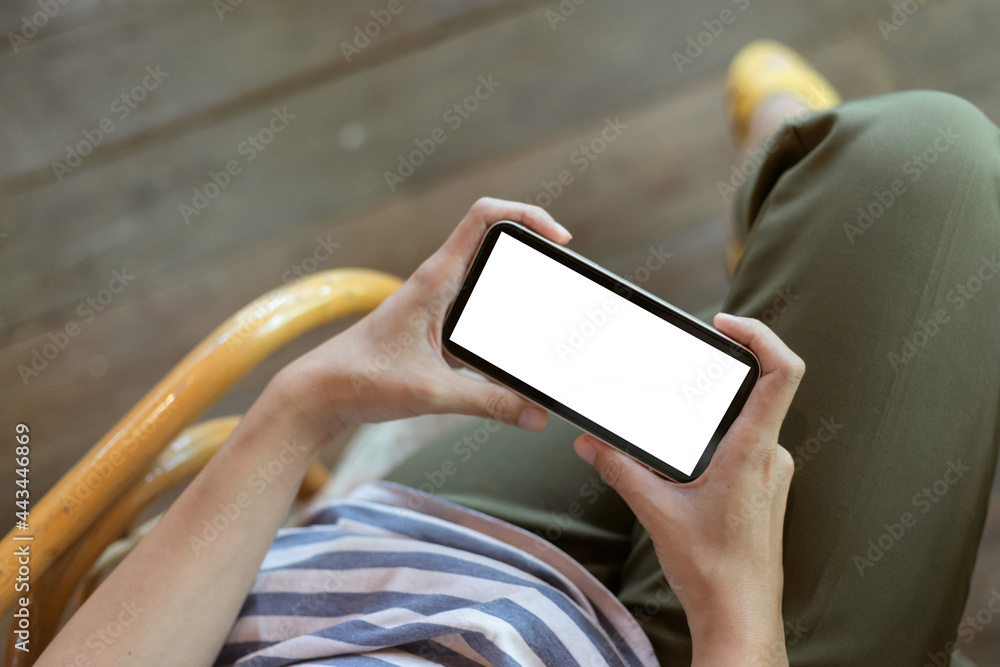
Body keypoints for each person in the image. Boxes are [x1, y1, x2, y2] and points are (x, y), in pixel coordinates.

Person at [36, 41, 1000, 666]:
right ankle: (787, 189)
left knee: (710, 367)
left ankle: (793, 209)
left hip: (381, 576)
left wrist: (306, 402)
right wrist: (737, 606)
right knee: (928, 166)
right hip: (682, 649)